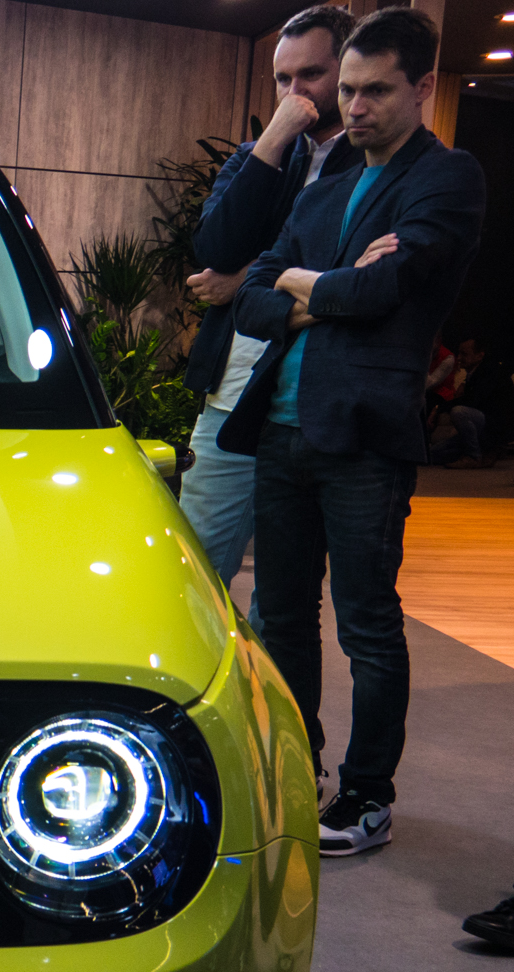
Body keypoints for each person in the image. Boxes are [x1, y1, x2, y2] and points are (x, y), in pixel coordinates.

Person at [225, 7, 487, 857]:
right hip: (281, 428)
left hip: (366, 438)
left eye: (376, 90)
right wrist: (321, 286)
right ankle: (297, 769)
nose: (356, 106)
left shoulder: (446, 178)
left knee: (367, 626)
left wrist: (300, 285)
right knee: (282, 618)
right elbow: (251, 298)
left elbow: (383, 291)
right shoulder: (328, 185)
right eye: (348, 90)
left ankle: (368, 796)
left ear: (422, 87)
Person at [180, 5, 362, 629]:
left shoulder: (374, 163)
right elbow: (213, 246)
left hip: (309, 401)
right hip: (231, 393)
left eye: (310, 75)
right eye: (283, 78)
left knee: (284, 599)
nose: (294, 92)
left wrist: (245, 280)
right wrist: (274, 141)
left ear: (346, 70)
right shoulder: (258, 155)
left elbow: (349, 271)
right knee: (195, 573)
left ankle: (267, 692)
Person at [430, 337, 504, 467]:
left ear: (479, 356)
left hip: (492, 428)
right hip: (480, 429)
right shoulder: (473, 374)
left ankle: (473, 456)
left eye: (464, 354)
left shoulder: (490, 372)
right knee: (432, 454)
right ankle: (480, 452)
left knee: (459, 412)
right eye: (459, 353)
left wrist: (438, 409)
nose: (458, 358)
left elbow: (471, 401)